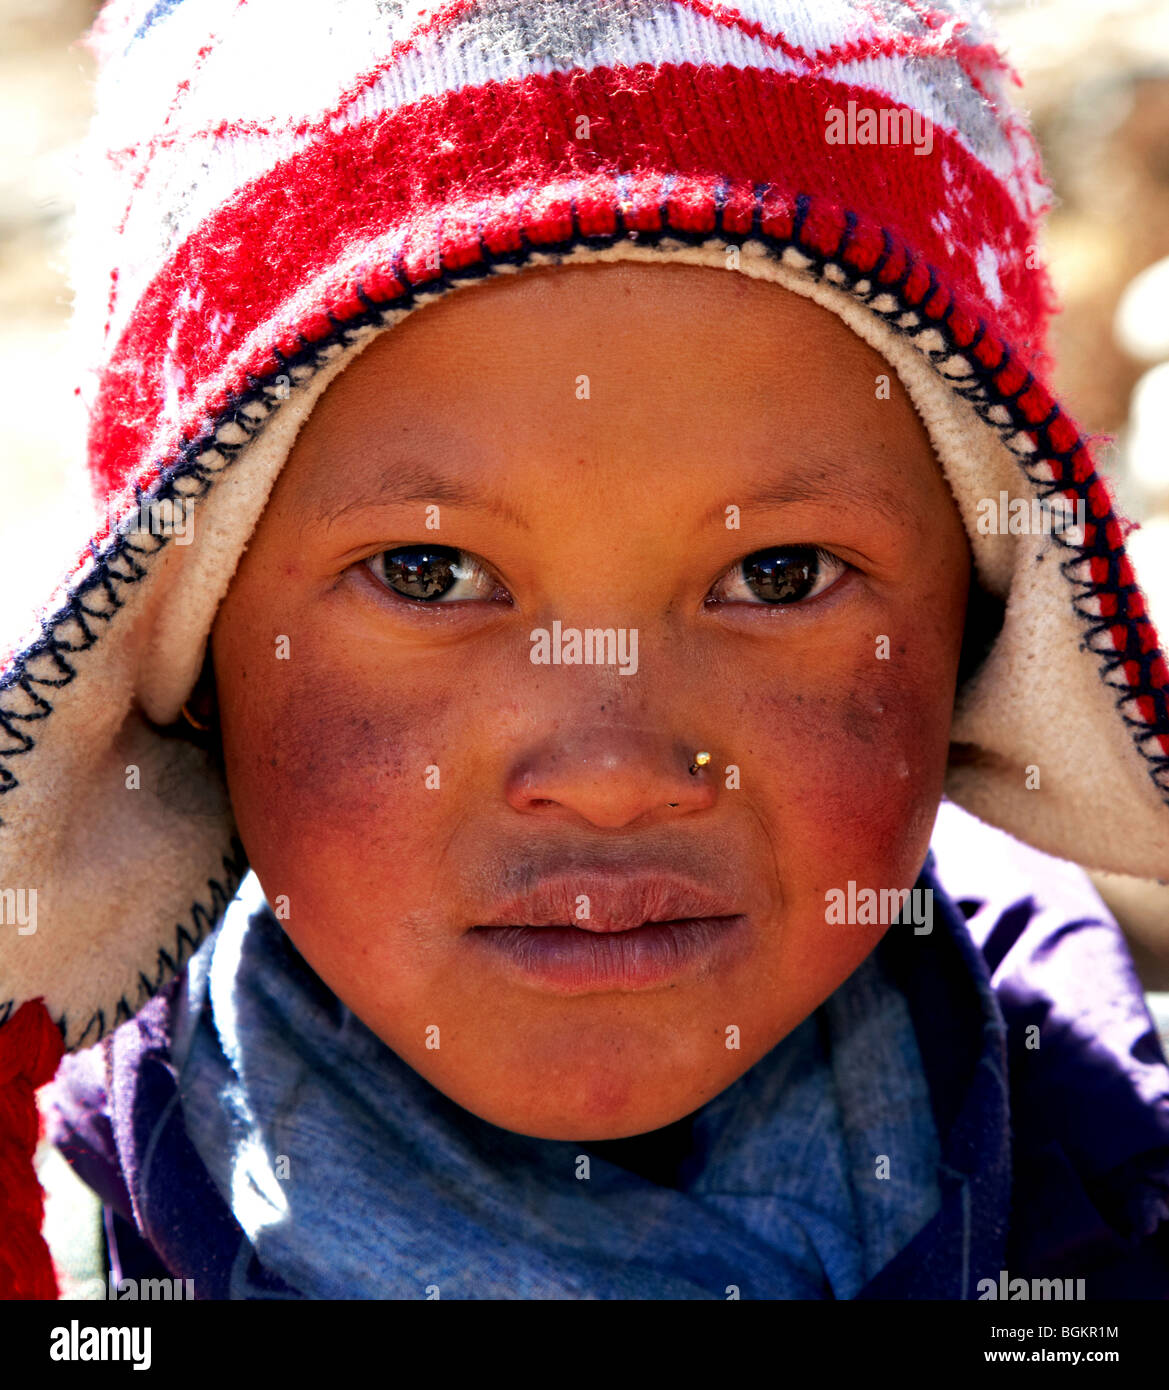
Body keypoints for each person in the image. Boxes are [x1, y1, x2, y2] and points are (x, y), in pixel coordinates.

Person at [2, 0, 1167, 1300]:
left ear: (978, 642)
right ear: (188, 660)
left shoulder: (1107, 1186)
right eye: (427, 572)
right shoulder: (60, 1220)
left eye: (775, 576)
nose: (613, 770)